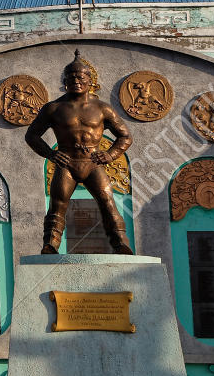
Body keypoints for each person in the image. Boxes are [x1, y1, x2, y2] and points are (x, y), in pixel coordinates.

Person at [24, 51, 133, 256]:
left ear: (89, 81)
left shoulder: (103, 108)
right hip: (67, 162)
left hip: (93, 162)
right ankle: (51, 244)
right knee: (57, 205)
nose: (76, 80)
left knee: (108, 202)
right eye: (71, 77)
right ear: (65, 81)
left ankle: (120, 243)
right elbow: (32, 136)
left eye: (80, 76)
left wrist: (109, 155)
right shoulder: (53, 108)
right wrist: (51, 154)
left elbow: (125, 136)